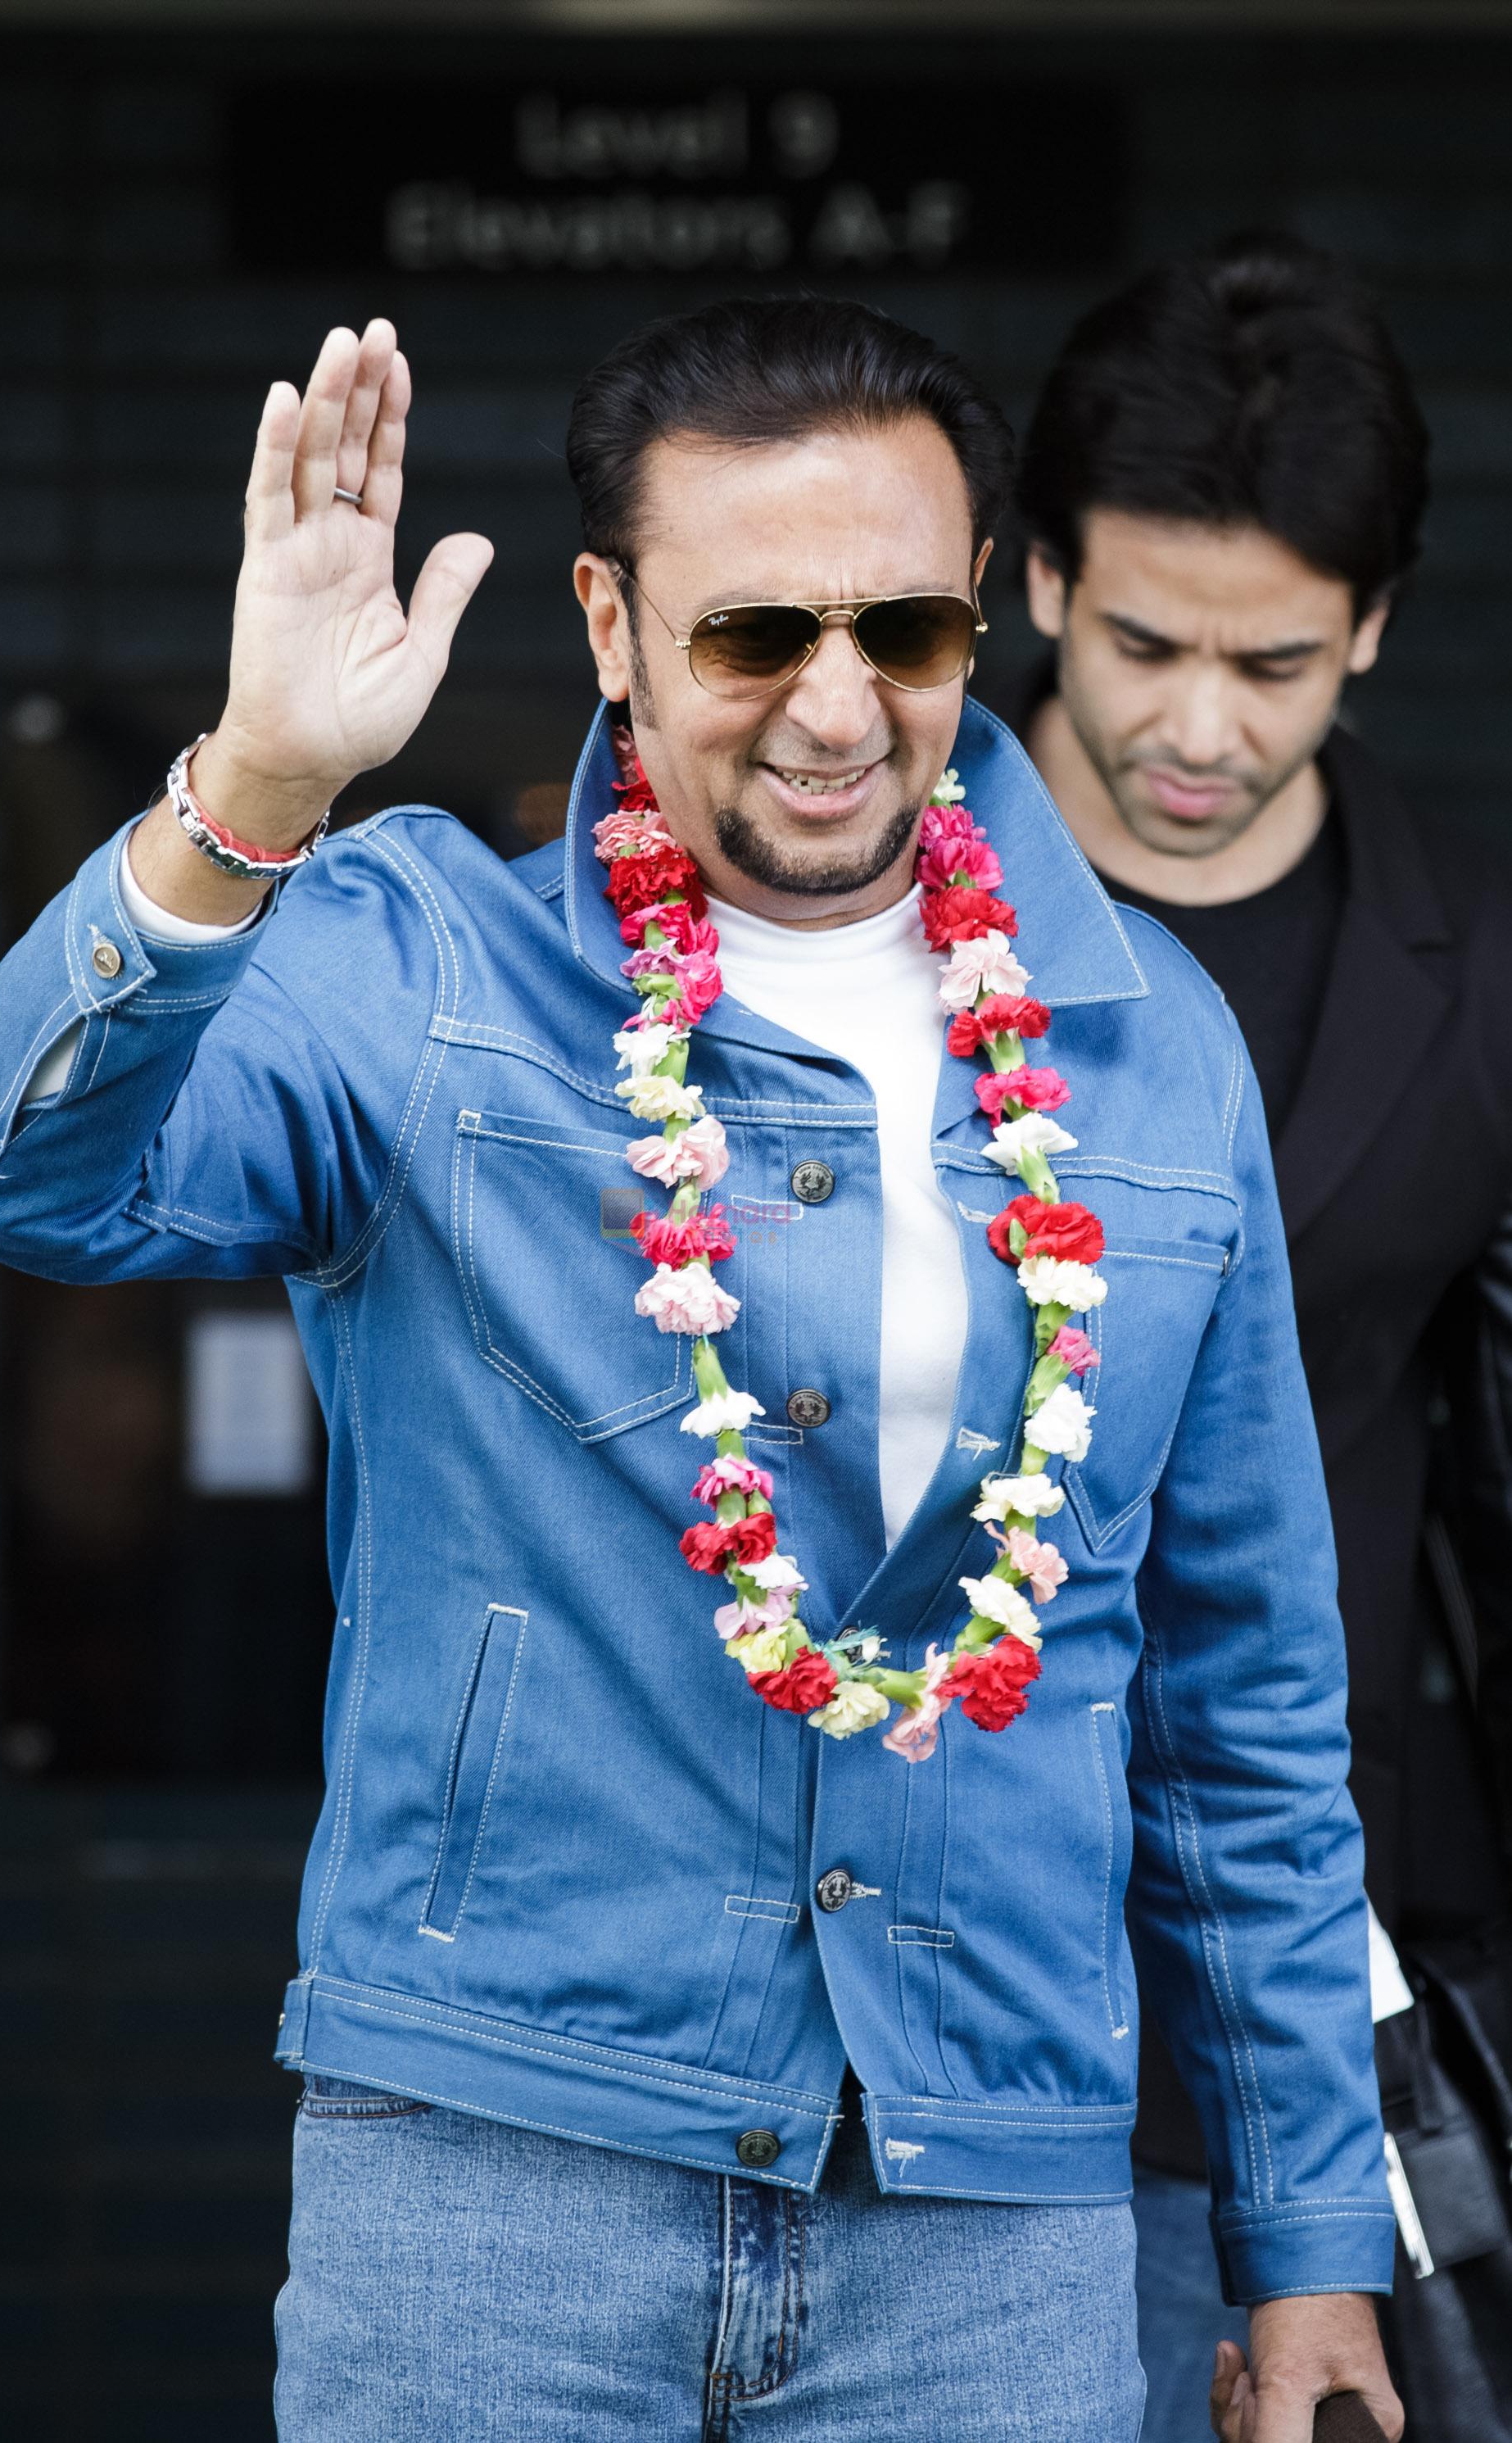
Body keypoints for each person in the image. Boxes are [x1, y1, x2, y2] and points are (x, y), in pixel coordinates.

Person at [0, 297, 1401, 2442]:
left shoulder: (1145, 1041)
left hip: (990, 2217)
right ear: (609, 622)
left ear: (979, 613)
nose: (833, 706)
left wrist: (1308, 2240)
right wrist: (255, 786)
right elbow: (16, 1178)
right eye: (750, 635)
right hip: (493, 2178)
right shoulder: (420, 960)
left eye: (898, 630)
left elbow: (1243, 1714)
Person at [1013, 231, 1512, 2441]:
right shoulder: (829, 899)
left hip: (1308, 2009)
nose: (1196, 729)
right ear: (1033, 582)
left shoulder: (1478, 971)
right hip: (904, 2009)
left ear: (1371, 630)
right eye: (1141, 644)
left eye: (1275, 663)